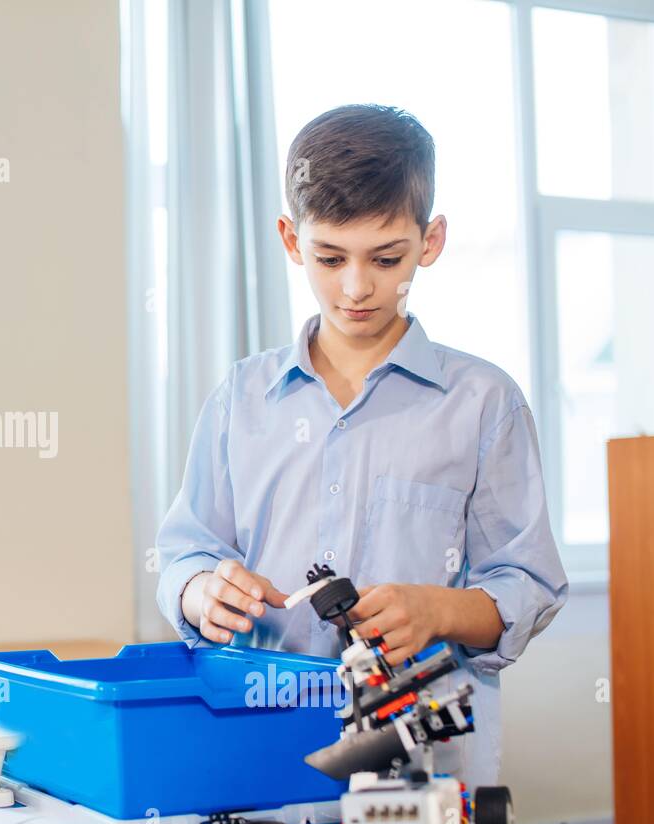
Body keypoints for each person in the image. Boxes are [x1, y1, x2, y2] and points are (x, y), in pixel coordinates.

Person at [154, 104, 568, 787]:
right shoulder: (240, 397)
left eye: (386, 258)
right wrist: (202, 590)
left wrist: (437, 608)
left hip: (427, 772)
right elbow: (183, 554)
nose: (356, 287)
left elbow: (529, 584)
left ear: (430, 241)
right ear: (291, 239)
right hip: (258, 762)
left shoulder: (483, 402)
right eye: (329, 257)